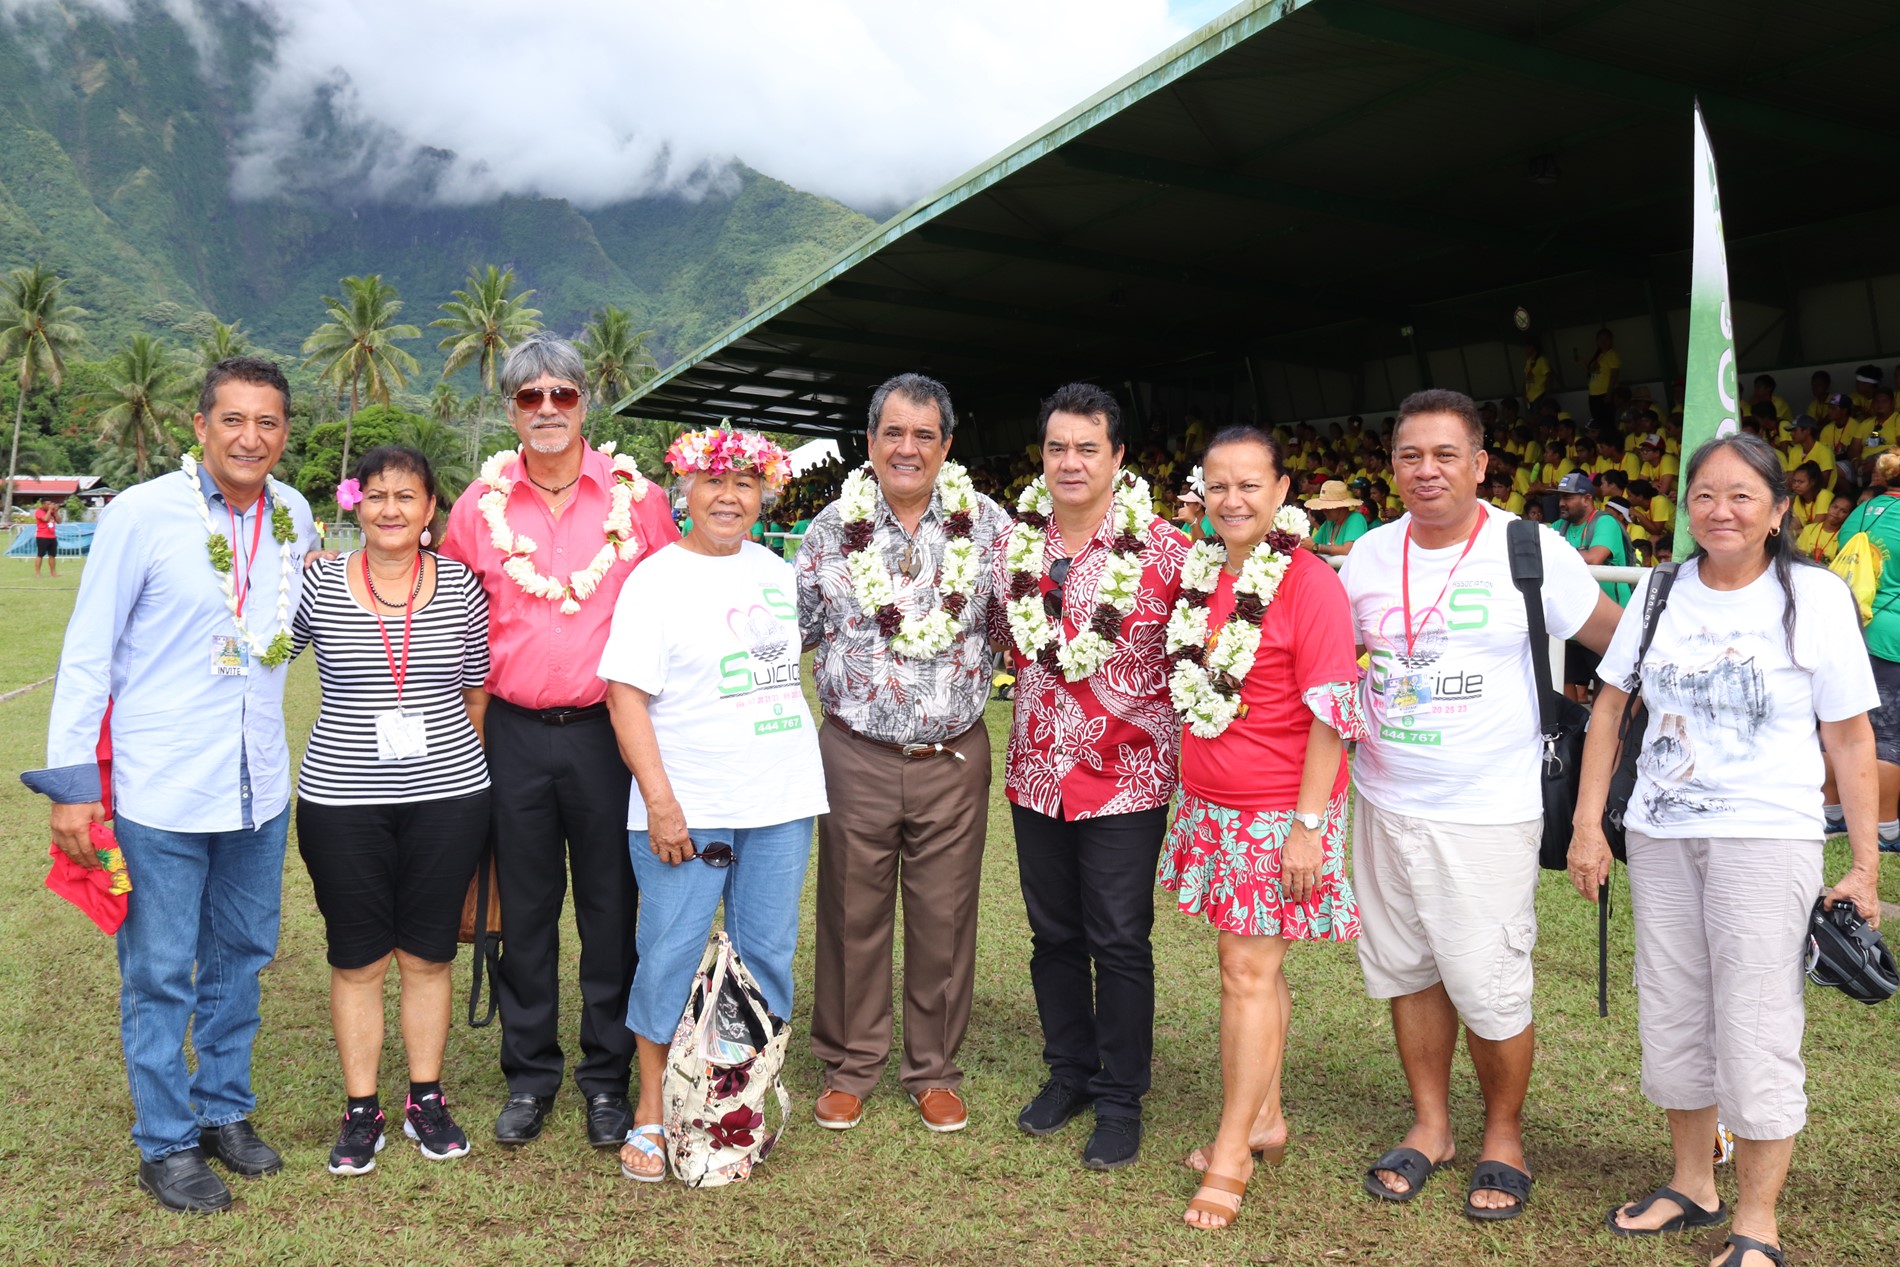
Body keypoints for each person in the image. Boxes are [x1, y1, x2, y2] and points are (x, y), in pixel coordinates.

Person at [1568, 433, 1882, 1267]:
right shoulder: (1662, 591)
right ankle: (1691, 1183)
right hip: (1661, 834)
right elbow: (1609, 710)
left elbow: (1849, 738)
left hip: (1765, 837)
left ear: (1779, 511)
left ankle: (1756, 1219)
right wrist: (1588, 823)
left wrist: (1863, 864)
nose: (1721, 510)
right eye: (1705, 495)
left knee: (1755, 1018)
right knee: (1671, 1005)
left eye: (1743, 495)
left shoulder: (1812, 599)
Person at [22, 357, 319, 1212]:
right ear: (200, 426)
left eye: (268, 422)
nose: (250, 436)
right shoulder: (142, 513)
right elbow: (87, 653)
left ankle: (225, 1110)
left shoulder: (294, 515)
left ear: (284, 432)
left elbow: (288, 631)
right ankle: (165, 1140)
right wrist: (75, 785)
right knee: (160, 970)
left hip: (259, 784)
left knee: (244, 956)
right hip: (161, 787)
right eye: (233, 419)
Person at [1339, 389, 1621, 1220]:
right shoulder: (1366, 556)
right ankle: (1431, 1126)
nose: (1427, 471)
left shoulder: (1529, 549)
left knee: (1490, 985)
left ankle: (1503, 1136)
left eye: (1445, 455)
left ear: (1480, 463)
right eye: (1410, 456)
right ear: (1393, 467)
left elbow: (1620, 643)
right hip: (1382, 800)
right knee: (1410, 973)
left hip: (1490, 809)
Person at [440, 334, 679, 1150]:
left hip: (608, 735)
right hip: (508, 733)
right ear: (510, 410)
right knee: (527, 912)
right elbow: (450, 615)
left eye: (562, 395)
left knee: (612, 910)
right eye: (529, 397)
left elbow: (675, 606)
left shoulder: (638, 500)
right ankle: (530, 1074)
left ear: (585, 402)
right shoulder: (479, 507)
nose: (546, 409)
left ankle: (606, 1080)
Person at [598, 428, 828, 1179]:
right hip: (686, 804)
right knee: (668, 953)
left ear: (765, 494)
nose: (727, 496)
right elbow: (624, 696)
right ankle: (653, 1112)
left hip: (781, 796)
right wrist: (662, 803)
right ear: (684, 492)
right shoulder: (655, 579)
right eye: (711, 481)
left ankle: (739, 1101)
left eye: (743, 483)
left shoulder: (779, 572)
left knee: (766, 958)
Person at [1157, 426, 1365, 1229]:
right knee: (1250, 968)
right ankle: (1267, 1116)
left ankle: (1234, 1146)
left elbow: (1332, 714)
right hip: (1212, 802)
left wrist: (1309, 825)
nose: (1232, 499)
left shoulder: (1308, 583)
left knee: (1246, 969)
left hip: (1281, 809)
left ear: (1283, 492)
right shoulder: (1205, 572)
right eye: (1217, 485)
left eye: (1249, 484)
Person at [795, 373, 1011, 1134]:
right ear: (870, 441)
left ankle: (933, 1067)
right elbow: (787, 634)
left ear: (947, 444)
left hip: (953, 755)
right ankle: (852, 1062)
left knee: (944, 914)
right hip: (855, 751)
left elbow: (1023, 632)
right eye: (894, 432)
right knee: (852, 911)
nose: (907, 448)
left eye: (924, 434)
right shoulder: (827, 530)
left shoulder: (989, 527)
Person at [991, 381, 1190, 1170]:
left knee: (1120, 938)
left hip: (1127, 777)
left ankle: (1120, 1096)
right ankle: (1068, 1072)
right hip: (1037, 771)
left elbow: (1202, 659)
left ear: (1118, 458)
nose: (1070, 462)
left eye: (1087, 448)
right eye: (1056, 447)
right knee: (1054, 935)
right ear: (1042, 455)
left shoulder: (1168, 552)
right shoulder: (1013, 545)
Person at [290, 446, 492, 1175]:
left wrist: (447, 764)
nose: (390, 509)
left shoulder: (463, 586)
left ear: (430, 509)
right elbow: (267, 652)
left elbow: (475, 690)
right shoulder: (318, 585)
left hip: (447, 797)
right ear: (356, 504)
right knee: (358, 958)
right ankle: (361, 1109)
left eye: (406, 496)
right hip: (341, 801)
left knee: (428, 954)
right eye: (376, 495)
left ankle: (425, 1099)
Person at [1828, 453, 1900, 847]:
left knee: (1840, 723)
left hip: (1852, 628)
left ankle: (1831, 812)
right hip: (1893, 637)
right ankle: (1886, 828)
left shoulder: (1859, 513)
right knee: (1889, 735)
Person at [1553, 471, 1630, 701]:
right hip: (1570, 623)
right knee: (1562, 683)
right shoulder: (1559, 525)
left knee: (1605, 691)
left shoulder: (1605, 522)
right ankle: (1570, 737)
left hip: (1608, 624)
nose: (1561, 503)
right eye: (1560, 497)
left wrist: (1560, 555)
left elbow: (1595, 557)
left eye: (1568, 497)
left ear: (1587, 499)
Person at [1305, 479, 1369, 558]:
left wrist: (1317, 547)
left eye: (1328, 507)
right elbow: (1310, 546)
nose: (1323, 510)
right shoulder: (1329, 523)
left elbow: (1347, 550)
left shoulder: (1356, 519)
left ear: (1341, 507)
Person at [1584, 328, 1620, 428]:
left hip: (1604, 393)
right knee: (1597, 422)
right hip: (1593, 394)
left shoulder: (1612, 354)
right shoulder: (1598, 355)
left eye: (1606, 339)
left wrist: (1609, 393)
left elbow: (1614, 375)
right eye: (1600, 339)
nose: (1603, 342)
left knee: (1607, 422)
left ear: (1611, 340)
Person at [32, 497, 59, 577]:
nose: (50, 506)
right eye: (48, 504)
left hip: (52, 536)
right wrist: (50, 510)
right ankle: (37, 573)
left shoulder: (52, 512)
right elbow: (45, 519)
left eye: (50, 504)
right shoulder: (39, 512)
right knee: (40, 554)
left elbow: (59, 521)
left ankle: (53, 573)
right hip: (42, 536)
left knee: (52, 555)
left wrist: (56, 512)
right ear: (43, 504)